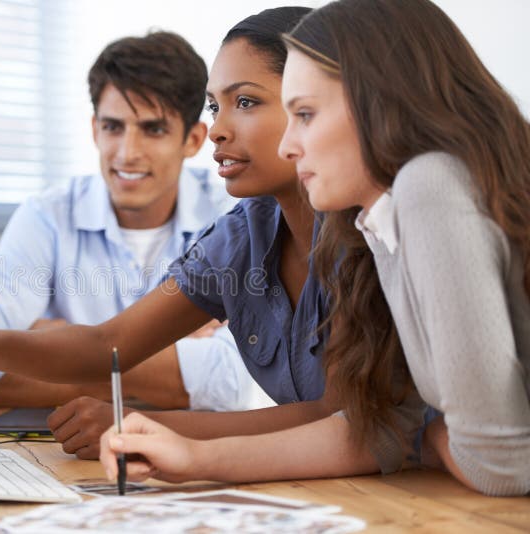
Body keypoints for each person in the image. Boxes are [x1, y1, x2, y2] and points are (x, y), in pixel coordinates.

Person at [98, 0, 530, 497]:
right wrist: (194, 457)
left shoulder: (430, 187)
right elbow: (382, 429)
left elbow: (499, 461)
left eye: (304, 113)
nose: (288, 144)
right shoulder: (379, 221)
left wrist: (429, 441)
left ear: (377, 102)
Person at [0, 7, 341, 463]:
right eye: (215, 106)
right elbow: (107, 345)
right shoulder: (240, 236)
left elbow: (332, 416)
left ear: (308, 106)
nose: (220, 131)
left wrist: (139, 424)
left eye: (245, 102)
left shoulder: (361, 233)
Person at [0, 31, 270, 415]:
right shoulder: (47, 217)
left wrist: (53, 343)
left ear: (194, 139)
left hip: (189, 455)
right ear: (95, 129)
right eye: (114, 127)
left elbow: (229, 385)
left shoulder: (233, 216)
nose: (128, 153)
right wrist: (169, 352)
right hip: (61, 452)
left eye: (153, 129)